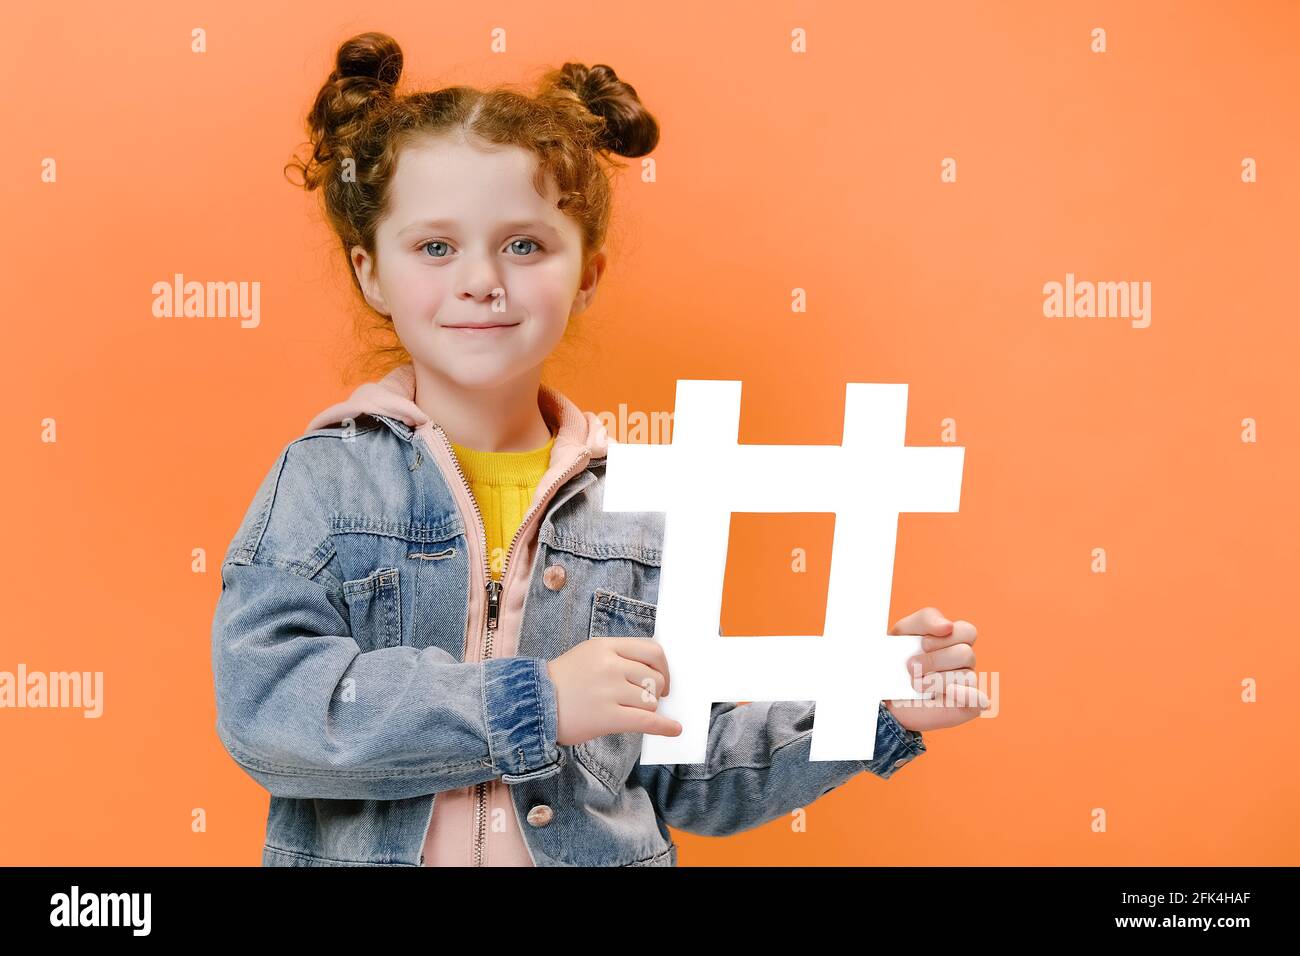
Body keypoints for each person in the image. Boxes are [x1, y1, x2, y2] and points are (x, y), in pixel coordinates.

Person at [211, 30, 987, 867]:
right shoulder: (326, 480)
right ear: (371, 273)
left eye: (525, 244)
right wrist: (535, 702)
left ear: (586, 275)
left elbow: (693, 770)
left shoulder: (642, 512)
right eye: (436, 246)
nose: (481, 278)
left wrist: (870, 708)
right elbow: (272, 712)